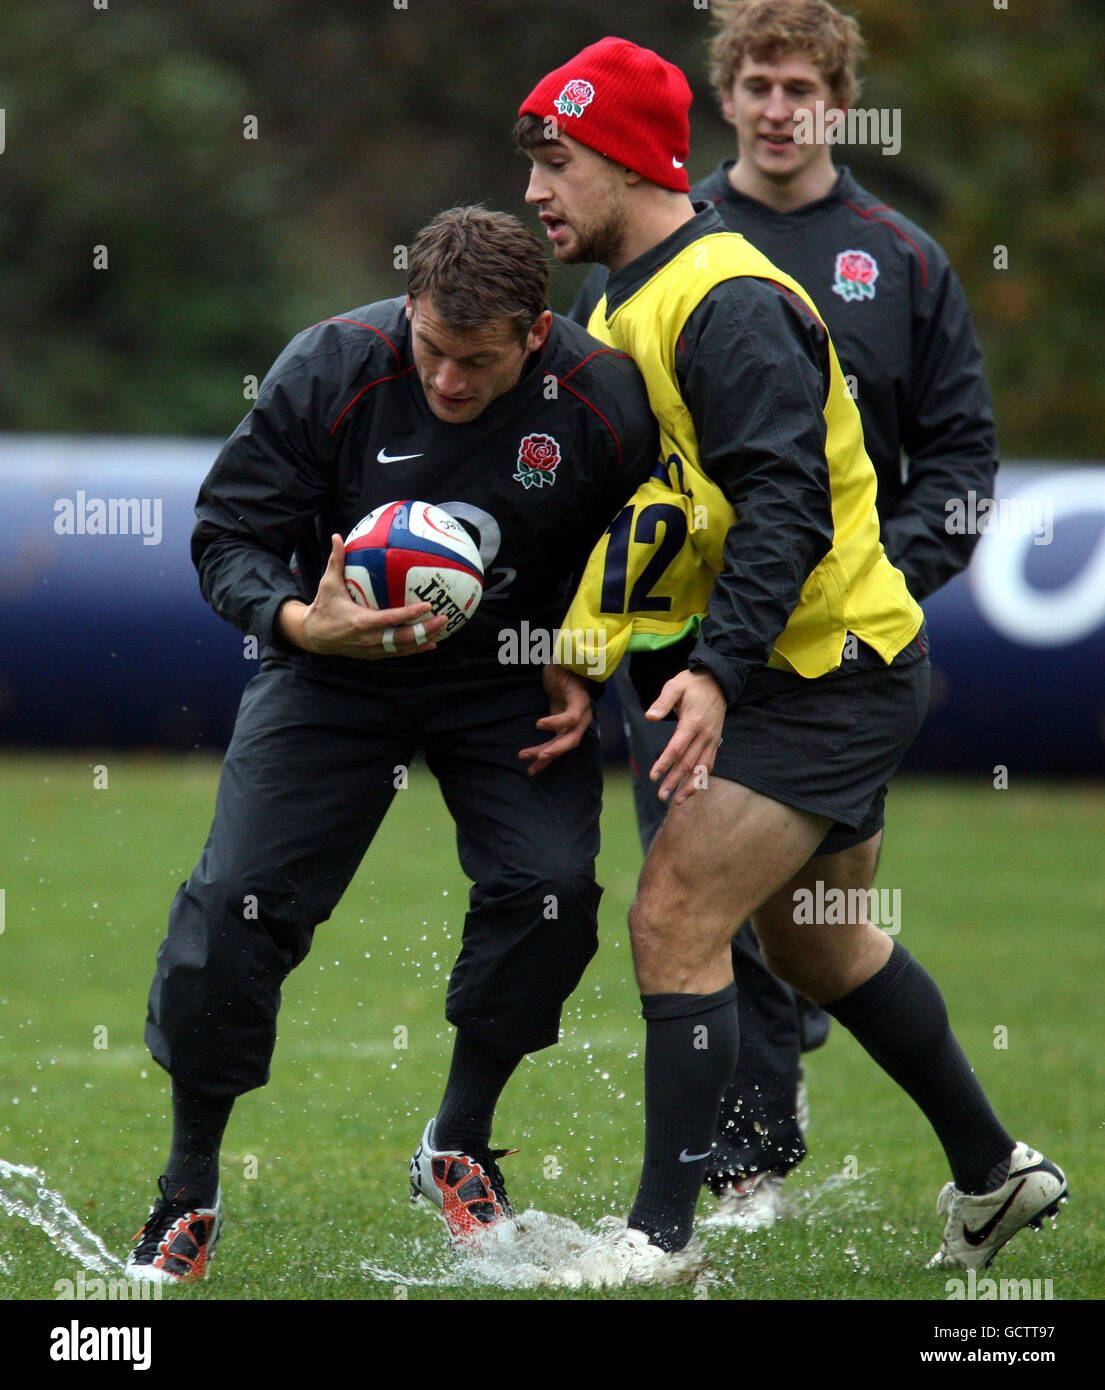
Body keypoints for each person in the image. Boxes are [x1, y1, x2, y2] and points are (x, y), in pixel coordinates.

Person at [515, 36, 1066, 1288]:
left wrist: (712, 670)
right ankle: (995, 1174)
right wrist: (580, 647)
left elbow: (785, 505)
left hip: (826, 675)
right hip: (812, 667)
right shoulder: (622, 302)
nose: (536, 192)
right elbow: (657, 518)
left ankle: (657, 1244)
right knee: (821, 943)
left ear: (621, 158)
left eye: (554, 162)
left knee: (672, 917)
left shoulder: (722, 296)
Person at [124, 206, 657, 1282]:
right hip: (329, 669)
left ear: (535, 336)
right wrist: (294, 621)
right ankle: (187, 1189)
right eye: (431, 351)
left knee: (552, 887)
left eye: (478, 361)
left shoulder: (603, 400)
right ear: (406, 308)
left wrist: (589, 646)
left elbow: (660, 531)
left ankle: (455, 1141)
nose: (449, 382)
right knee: (236, 907)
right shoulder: (332, 366)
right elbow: (223, 533)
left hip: (507, 677)